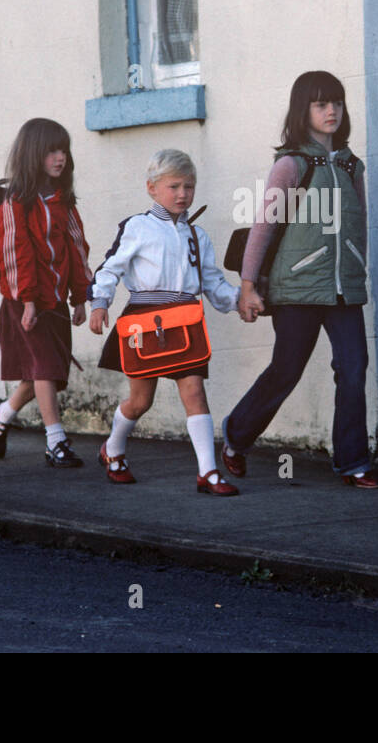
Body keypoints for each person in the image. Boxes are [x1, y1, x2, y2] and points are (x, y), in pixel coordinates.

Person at [222, 71, 378, 487]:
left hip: (344, 289)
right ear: (302, 110)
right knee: (286, 370)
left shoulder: (351, 165)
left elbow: (359, 224)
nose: (331, 111)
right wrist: (248, 285)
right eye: (320, 104)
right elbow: (263, 228)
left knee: (354, 368)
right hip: (296, 288)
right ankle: (236, 437)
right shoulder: (292, 165)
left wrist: (355, 267)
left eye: (337, 103)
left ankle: (353, 462)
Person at [89, 149, 243, 495]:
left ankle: (208, 473)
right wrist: (100, 302)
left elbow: (213, 283)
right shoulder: (137, 227)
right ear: (152, 188)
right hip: (143, 322)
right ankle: (113, 448)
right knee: (140, 400)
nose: (182, 194)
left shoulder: (197, 236)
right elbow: (110, 268)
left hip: (186, 322)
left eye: (189, 186)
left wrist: (238, 302)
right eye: (173, 186)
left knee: (194, 392)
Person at [0, 118, 92, 468]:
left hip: (56, 302)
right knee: (45, 368)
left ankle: (2, 416)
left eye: (63, 150)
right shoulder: (16, 201)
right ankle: (56, 442)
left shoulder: (63, 200)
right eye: (51, 151)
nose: (59, 158)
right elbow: (14, 253)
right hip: (25, 302)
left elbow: (77, 248)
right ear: (34, 155)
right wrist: (28, 300)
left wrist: (80, 297)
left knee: (43, 375)